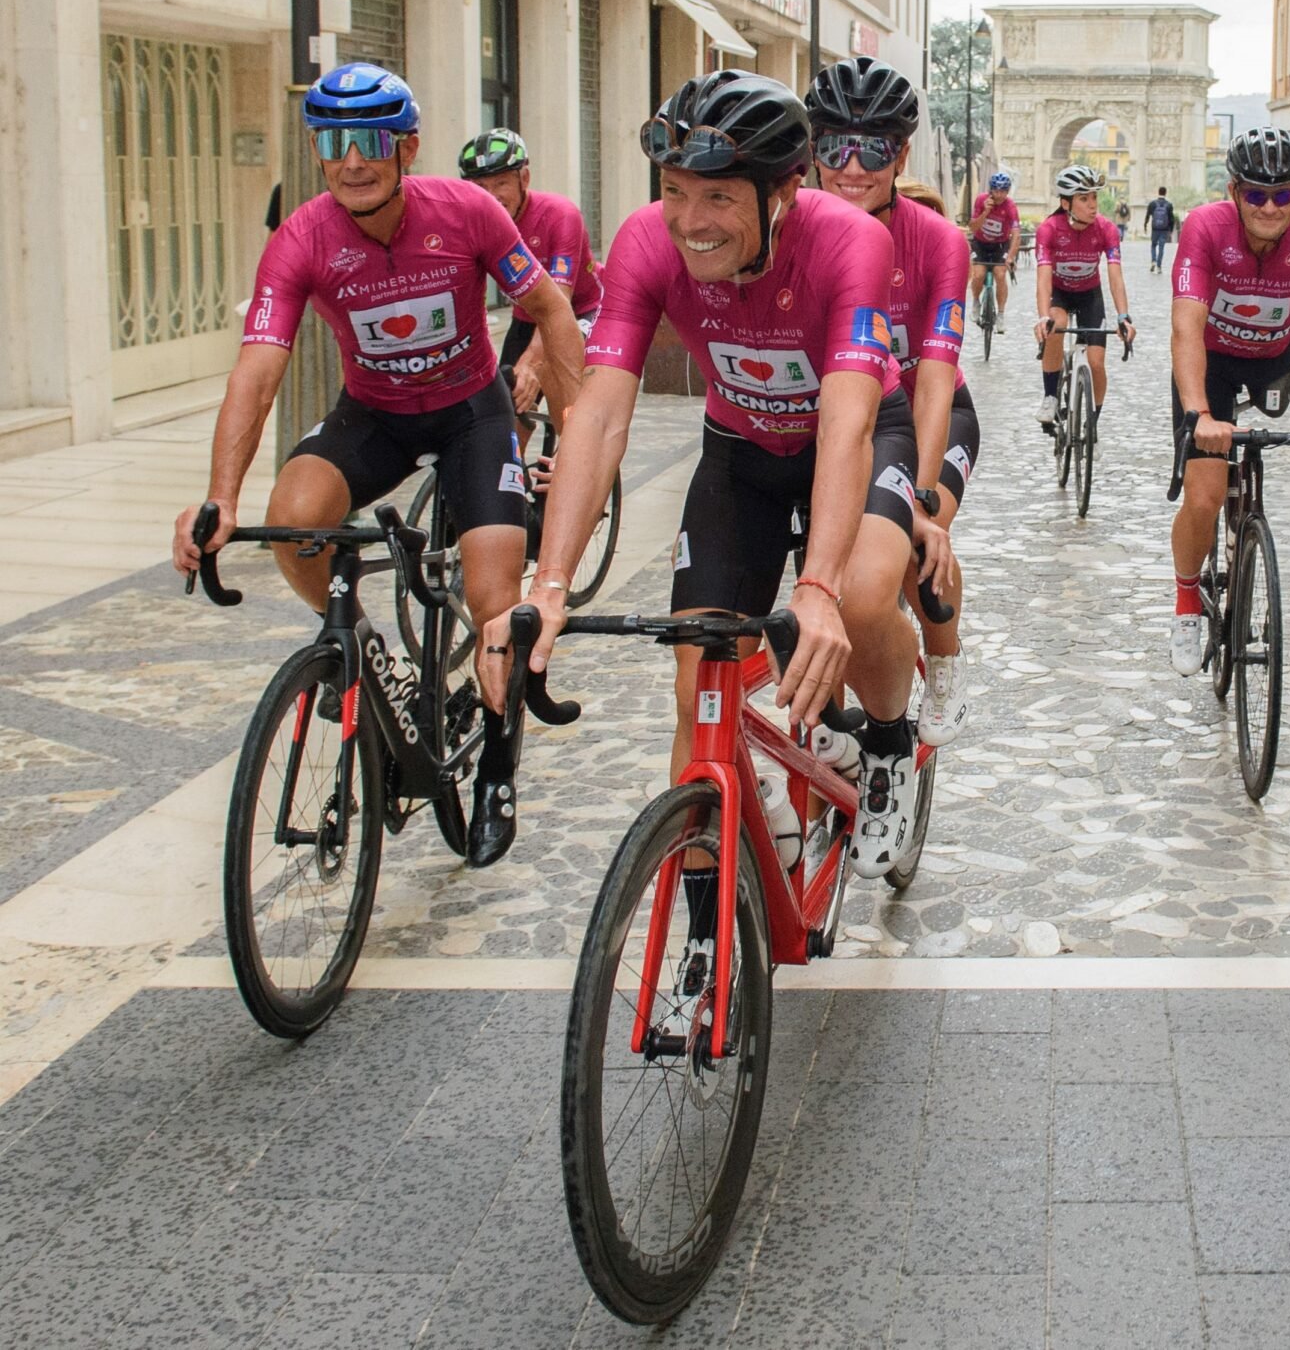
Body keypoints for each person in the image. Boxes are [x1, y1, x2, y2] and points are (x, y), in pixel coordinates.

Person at [481, 70, 928, 881]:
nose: (690, 222)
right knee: (699, 683)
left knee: (860, 600)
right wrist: (548, 584)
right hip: (741, 454)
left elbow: (848, 421)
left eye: (719, 198)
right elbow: (602, 414)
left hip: (856, 437)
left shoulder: (852, 241)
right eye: (673, 190)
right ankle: (705, 928)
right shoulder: (647, 241)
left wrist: (820, 587)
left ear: (784, 191)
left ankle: (893, 743)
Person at [172, 63, 586, 867]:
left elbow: (549, 308)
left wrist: (572, 442)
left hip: (472, 411)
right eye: (332, 143)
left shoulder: (466, 211)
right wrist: (218, 499)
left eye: (369, 142)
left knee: (494, 597)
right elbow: (257, 372)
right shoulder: (302, 239)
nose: (351, 161)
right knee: (295, 521)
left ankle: (497, 770)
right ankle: (367, 656)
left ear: (406, 148)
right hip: (375, 415)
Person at [805, 55, 976, 746]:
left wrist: (926, 500)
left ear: (900, 152)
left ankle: (943, 656)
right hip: (840, 419)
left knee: (910, 549)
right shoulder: (791, 228)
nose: (850, 166)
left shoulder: (935, 240)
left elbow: (934, 378)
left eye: (871, 148)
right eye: (832, 146)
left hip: (926, 414)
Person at [1167, 127, 1290, 676]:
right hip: (1210, 365)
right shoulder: (1205, 227)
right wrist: (1197, 413)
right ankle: (1188, 600)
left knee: (1254, 445)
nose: (1270, 207)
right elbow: (1185, 327)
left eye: (1284, 194)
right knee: (1205, 496)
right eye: (1256, 194)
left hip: (1272, 363)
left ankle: (1242, 517)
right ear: (1234, 190)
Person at [457, 128, 602, 446]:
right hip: (526, 318)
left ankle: (572, 456)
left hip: (581, 309)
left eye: (501, 183)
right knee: (509, 406)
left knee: (555, 384)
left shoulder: (560, 215)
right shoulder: (474, 223)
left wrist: (533, 362)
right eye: (480, 187)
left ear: (524, 179)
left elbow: (558, 304)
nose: (491, 195)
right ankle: (510, 481)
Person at [1032, 164, 1135, 431]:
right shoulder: (1049, 229)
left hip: (1090, 295)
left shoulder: (1106, 229)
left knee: (1096, 363)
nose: (1093, 205)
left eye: (1094, 198)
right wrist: (1043, 316)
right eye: (1084, 199)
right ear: (1066, 203)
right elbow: (1043, 279)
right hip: (1060, 294)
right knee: (1056, 323)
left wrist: (1123, 316)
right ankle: (1051, 397)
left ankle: (1092, 425)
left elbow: (1115, 276)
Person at [969, 172, 1021, 324]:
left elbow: (1016, 234)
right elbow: (972, 227)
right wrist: (985, 211)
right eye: (996, 191)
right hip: (981, 243)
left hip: (1000, 245)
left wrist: (1010, 257)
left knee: (1000, 274)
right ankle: (976, 301)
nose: (999, 195)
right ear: (990, 190)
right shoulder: (981, 200)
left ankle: (1001, 314)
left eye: (1003, 191)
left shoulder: (1010, 206)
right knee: (978, 275)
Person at [1144, 186, 1178, 273]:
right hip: (1164, 229)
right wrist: (1170, 230)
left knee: (1153, 245)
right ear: (1165, 193)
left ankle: (1153, 261)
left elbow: (1148, 215)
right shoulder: (1169, 205)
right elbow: (1171, 218)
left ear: (1158, 192)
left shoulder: (1153, 204)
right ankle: (1159, 266)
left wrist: (1145, 224)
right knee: (1161, 248)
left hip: (1155, 228)